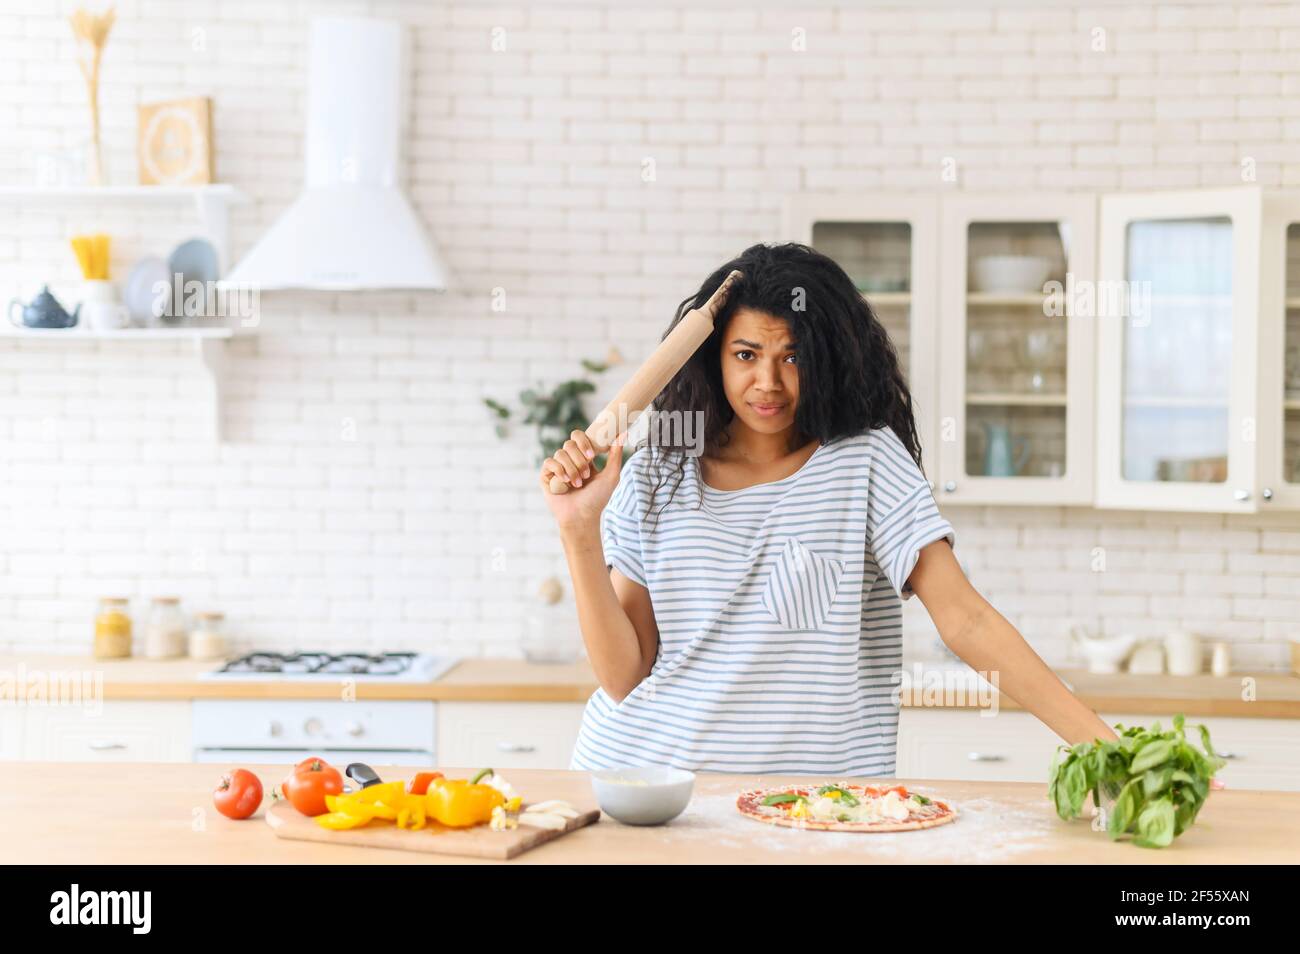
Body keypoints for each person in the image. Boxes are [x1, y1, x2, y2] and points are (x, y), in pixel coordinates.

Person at [541, 241, 1118, 775]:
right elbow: (623, 677)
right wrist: (577, 529)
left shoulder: (865, 461)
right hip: (646, 787)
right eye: (746, 354)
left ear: (829, 359)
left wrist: (1109, 752)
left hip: (812, 810)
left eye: (792, 358)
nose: (767, 382)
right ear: (714, 359)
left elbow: (965, 619)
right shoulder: (655, 473)